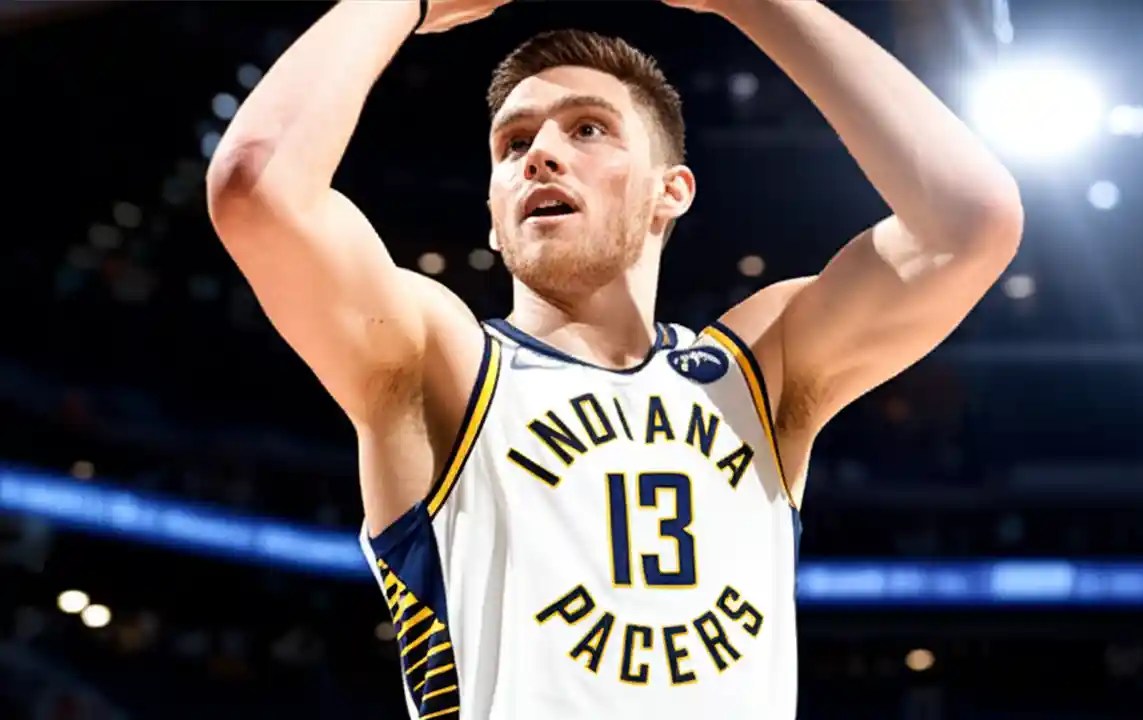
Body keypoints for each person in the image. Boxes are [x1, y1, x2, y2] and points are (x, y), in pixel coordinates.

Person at [206, 0, 1023, 717]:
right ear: (493, 217)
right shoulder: (440, 364)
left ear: (673, 190)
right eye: (513, 142)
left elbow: (972, 222)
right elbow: (257, 190)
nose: (539, 155)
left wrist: (762, 6)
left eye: (587, 128)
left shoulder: (758, 371)